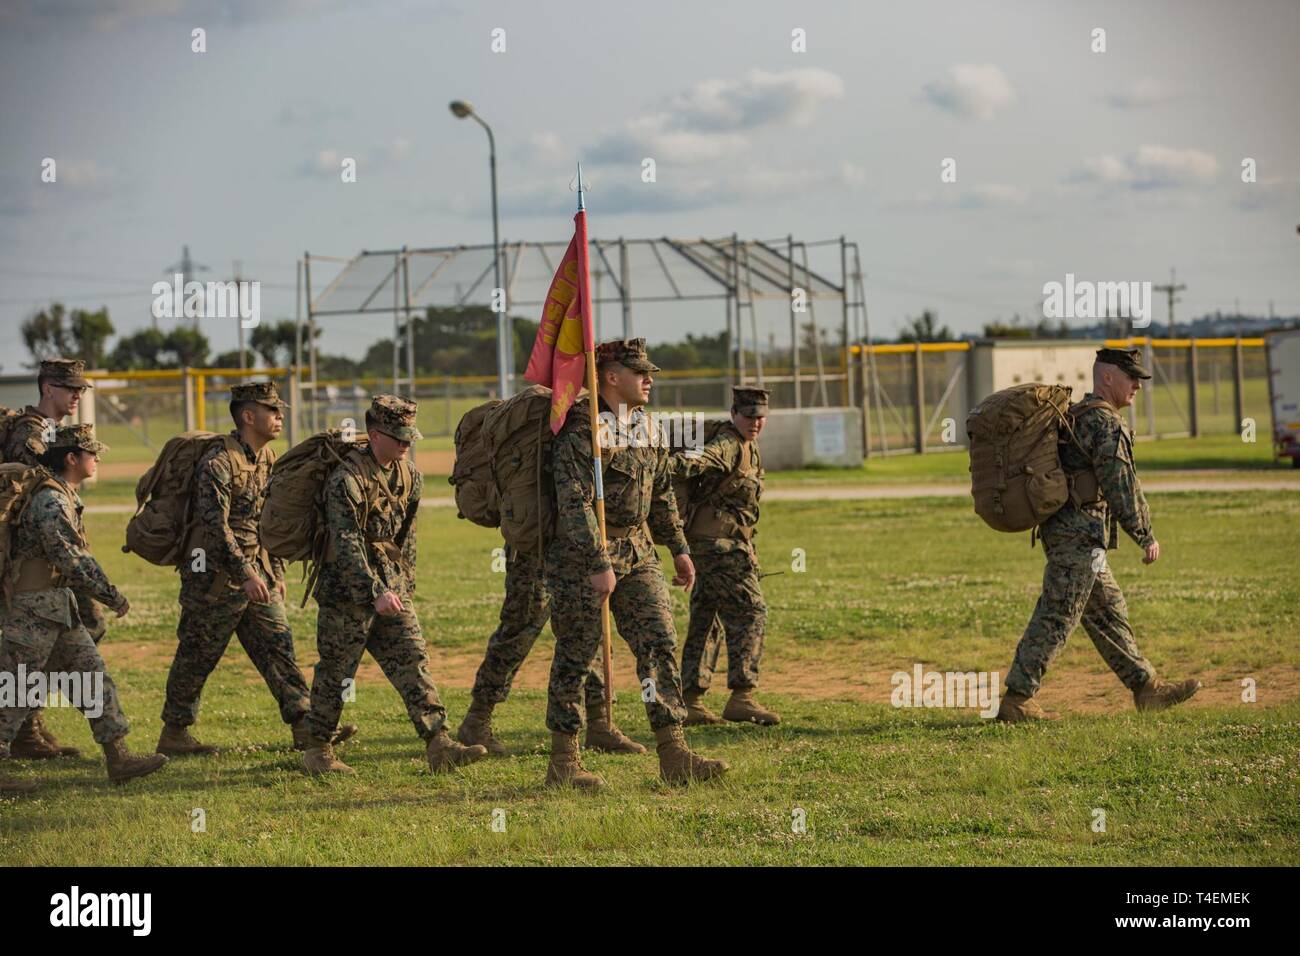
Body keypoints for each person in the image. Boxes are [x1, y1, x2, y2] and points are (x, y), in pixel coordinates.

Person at [543, 339, 728, 789]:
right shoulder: (582, 430)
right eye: (639, 372)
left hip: (639, 551)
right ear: (610, 376)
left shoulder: (648, 427)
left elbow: (661, 492)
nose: (649, 379)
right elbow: (574, 502)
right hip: (584, 558)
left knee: (658, 642)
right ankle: (564, 764)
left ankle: (674, 752)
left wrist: (679, 547)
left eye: (649, 372)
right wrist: (596, 560)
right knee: (577, 654)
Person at [999, 348, 1201, 721]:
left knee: (1108, 612)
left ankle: (1146, 688)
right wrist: (1145, 534)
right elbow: (1121, 483)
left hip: (1074, 536)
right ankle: (1017, 698)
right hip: (1078, 538)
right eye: (1131, 377)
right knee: (1057, 615)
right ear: (1107, 377)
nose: (1138, 385)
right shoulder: (1103, 423)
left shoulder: (1078, 416)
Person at [157, 382, 355, 755]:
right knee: (197, 656)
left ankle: (305, 727)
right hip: (213, 579)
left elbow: (268, 521)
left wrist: (273, 571)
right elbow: (215, 527)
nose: (280, 416)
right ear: (249, 416)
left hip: (257, 576)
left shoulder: (266, 459)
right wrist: (244, 573)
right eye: (272, 410)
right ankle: (175, 733)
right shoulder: (217, 462)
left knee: (279, 648)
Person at [300, 395, 486, 775]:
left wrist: (402, 586)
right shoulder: (346, 480)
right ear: (373, 434)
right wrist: (373, 591)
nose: (406, 444)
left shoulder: (409, 476)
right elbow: (346, 541)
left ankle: (439, 743)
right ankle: (317, 751)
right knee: (337, 673)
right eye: (398, 437)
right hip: (345, 595)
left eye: (409, 437)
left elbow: (406, 539)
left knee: (413, 661)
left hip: (391, 591)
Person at [0, 425, 168, 790]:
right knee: (16, 687)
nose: (98, 459)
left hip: (57, 608)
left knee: (91, 674)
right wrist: (111, 595)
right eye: (92, 453)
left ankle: (118, 757)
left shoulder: (63, 495)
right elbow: (71, 558)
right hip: (31, 609)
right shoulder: (50, 500)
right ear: (72, 458)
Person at [0, 358, 98, 758]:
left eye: (80, 389)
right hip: (30, 562)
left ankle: (27, 728)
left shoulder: (51, 430)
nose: (77, 395)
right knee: (40, 641)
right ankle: (24, 730)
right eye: (69, 387)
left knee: (48, 640)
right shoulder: (31, 434)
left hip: (49, 556)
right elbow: (29, 500)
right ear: (47, 388)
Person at [673, 386, 779, 726]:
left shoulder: (749, 444)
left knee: (708, 617)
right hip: (717, 547)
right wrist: (667, 465)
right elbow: (699, 460)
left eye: (761, 416)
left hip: (719, 544)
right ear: (735, 413)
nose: (756, 422)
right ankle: (742, 695)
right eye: (749, 416)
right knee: (751, 610)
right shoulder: (729, 443)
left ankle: (691, 700)